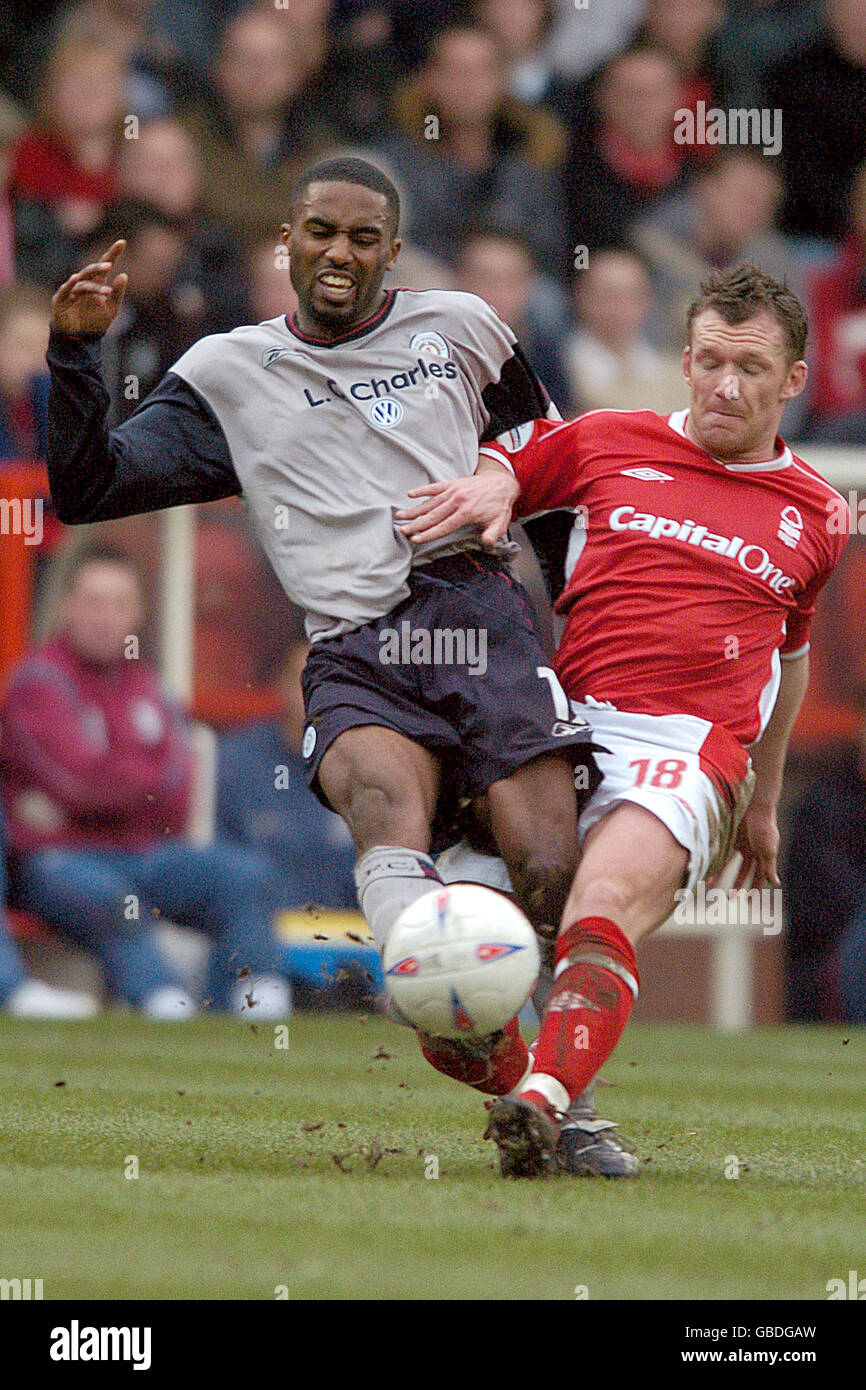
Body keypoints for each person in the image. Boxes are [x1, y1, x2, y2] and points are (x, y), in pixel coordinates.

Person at [43, 157, 601, 1135]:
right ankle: (473, 1038)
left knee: (549, 868)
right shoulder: (229, 373)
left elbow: (547, 472)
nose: (336, 252)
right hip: (353, 644)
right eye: (318, 232)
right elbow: (92, 487)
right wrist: (76, 354)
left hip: (477, 614)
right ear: (287, 242)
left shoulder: (464, 328)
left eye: (359, 237)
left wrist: (573, 627)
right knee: (382, 807)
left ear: (390, 252)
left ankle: (564, 1095)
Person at [397, 263, 848, 1176]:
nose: (728, 385)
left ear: (794, 380)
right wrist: (494, 487)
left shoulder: (821, 514)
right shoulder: (607, 440)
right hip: (565, 731)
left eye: (752, 369)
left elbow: (787, 662)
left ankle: (543, 1101)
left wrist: (760, 800)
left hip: (689, 749)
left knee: (598, 908)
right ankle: (553, 1101)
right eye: (712, 361)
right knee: (449, 988)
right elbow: (510, 466)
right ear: (684, 361)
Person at [0, 544, 292, 1020]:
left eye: (118, 603)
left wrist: (108, 779)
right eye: (93, 601)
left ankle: (252, 999)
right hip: (55, 860)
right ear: (66, 606)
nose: (105, 617)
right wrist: (133, 781)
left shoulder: (149, 687)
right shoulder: (38, 682)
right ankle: (162, 998)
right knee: (112, 897)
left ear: (137, 612)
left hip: (146, 852)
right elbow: (75, 782)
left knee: (246, 877)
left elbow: (175, 788)